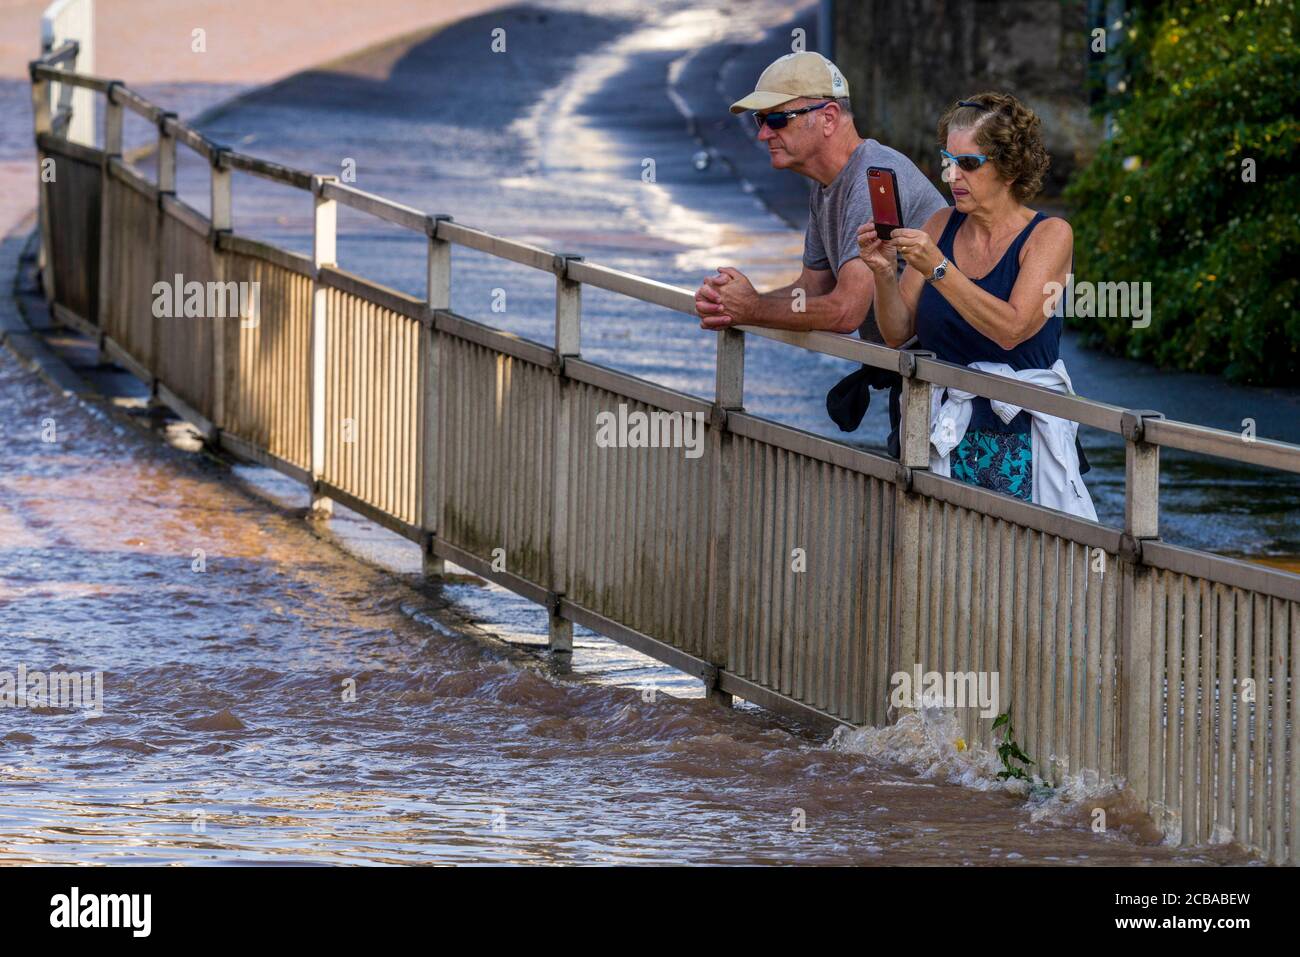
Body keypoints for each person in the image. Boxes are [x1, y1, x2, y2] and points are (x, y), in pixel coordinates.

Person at [693, 51, 947, 455]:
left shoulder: (870, 179)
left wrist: (751, 309)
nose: (763, 135)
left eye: (777, 119)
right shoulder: (828, 184)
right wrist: (731, 302)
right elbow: (812, 287)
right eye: (761, 121)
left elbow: (845, 311)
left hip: (955, 387)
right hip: (922, 382)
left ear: (828, 117)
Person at [857, 92, 1094, 518]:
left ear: (1008, 168)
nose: (950, 175)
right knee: (940, 569)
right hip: (938, 430)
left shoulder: (1050, 235)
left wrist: (939, 269)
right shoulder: (941, 224)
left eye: (968, 164)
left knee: (1012, 574)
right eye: (948, 159)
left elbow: (1012, 329)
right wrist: (881, 272)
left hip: (1017, 436)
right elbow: (896, 332)